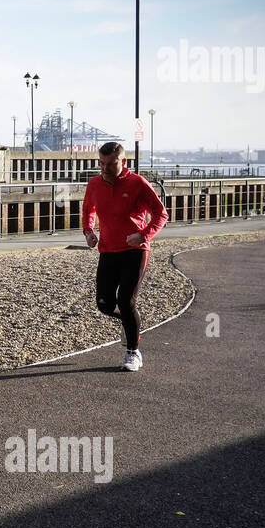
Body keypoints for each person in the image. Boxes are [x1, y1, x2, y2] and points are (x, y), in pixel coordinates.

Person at [82, 141, 169, 371]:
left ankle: (133, 352)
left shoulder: (137, 183)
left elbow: (161, 214)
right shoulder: (94, 184)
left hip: (135, 251)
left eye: (111, 164)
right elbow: (88, 210)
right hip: (108, 250)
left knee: (126, 300)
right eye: (101, 163)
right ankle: (129, 321)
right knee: (104, 303)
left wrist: (144, 235)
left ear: (123, 162)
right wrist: (89, 232)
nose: (105, 168)